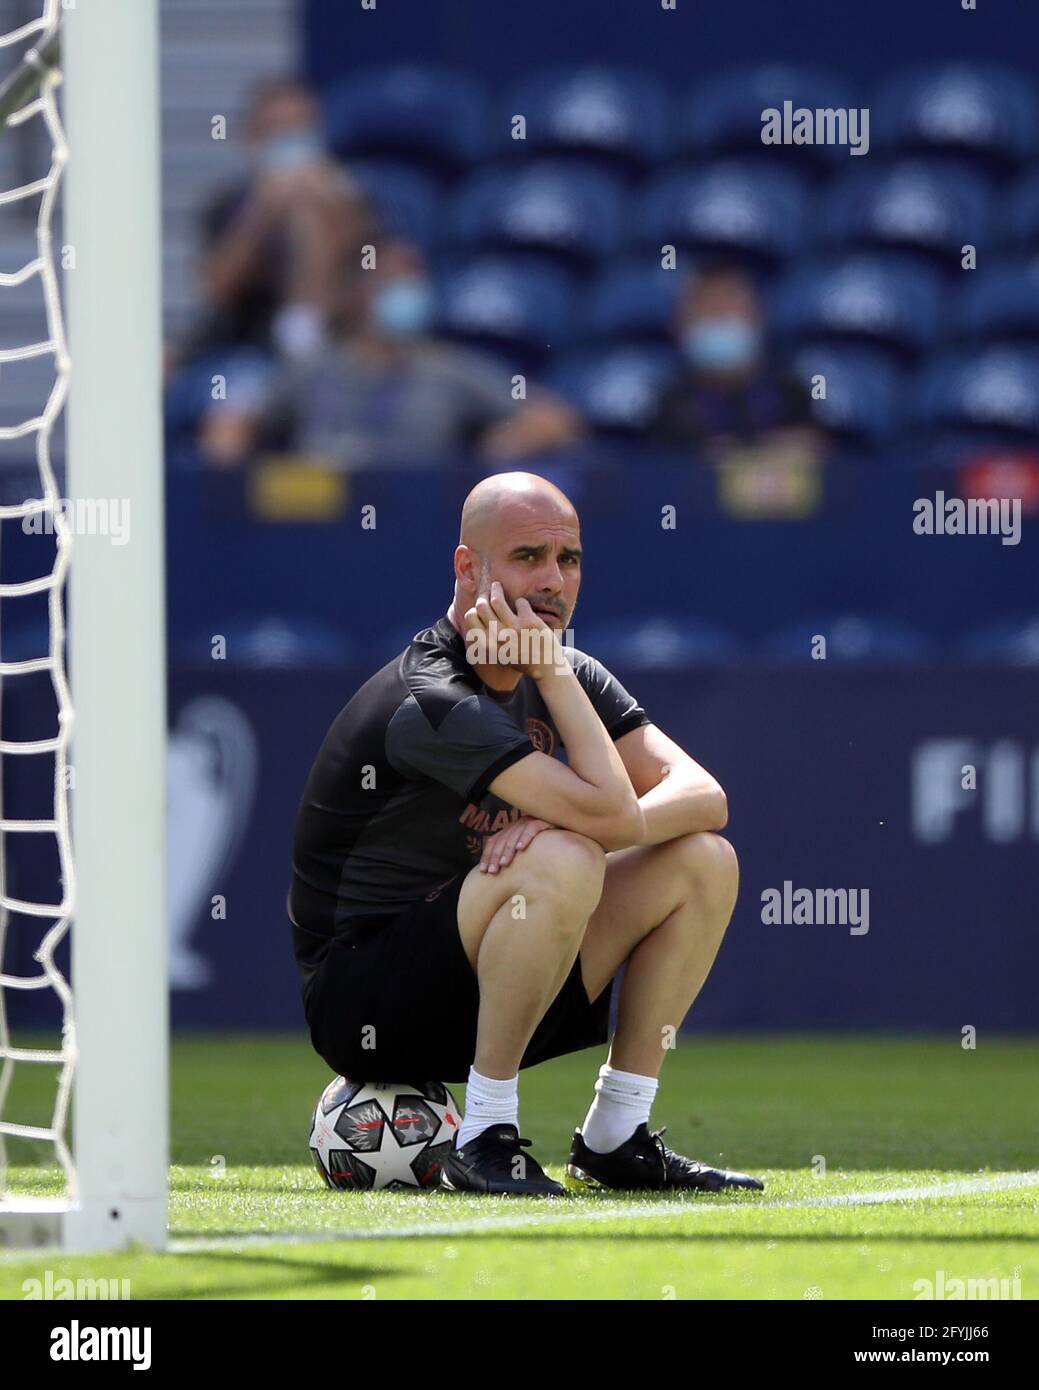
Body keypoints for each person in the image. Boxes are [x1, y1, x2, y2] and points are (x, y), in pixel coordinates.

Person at [288, 470, 763, 1196]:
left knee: (702, 861)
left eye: (567, 559)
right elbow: (606, 817)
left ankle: (615, 1136)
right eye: (527, 557)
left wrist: (560, 795)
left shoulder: (564, 673)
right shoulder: (431, 697)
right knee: (566, 853)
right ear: (467, 567)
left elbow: (705, 796)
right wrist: (571, 823)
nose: (552, 580)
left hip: (500, 976)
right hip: (368, 1001)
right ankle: (484, 1138)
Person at [200, 239, 584, 467]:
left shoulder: (448, 367)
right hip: (319, 516)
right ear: (360, 291)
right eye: (394, 280)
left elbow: (557, 420)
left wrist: (493, 451)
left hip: (414, 519)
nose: (408, 290)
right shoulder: (313, 366)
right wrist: (229, 460)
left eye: (414, 279)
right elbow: (236, 420)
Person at [186, 77, 374, 362]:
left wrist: (338, 211)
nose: (290, 138)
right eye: (277, 129)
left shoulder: (354, 199)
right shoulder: (228, 205)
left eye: (299, 127)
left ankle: (304, 334)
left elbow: (370, 276)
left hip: (339, 352)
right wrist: (263, 212)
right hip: (247, 352)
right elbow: (215, 290)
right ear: (251, 138)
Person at [651, 264, 821, 462]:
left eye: (730, 306)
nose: (719, 318)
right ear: (681, 328)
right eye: (707, 310)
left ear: (758, 318)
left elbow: (813, 455)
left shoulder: (790, 395)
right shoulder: (672, 406)